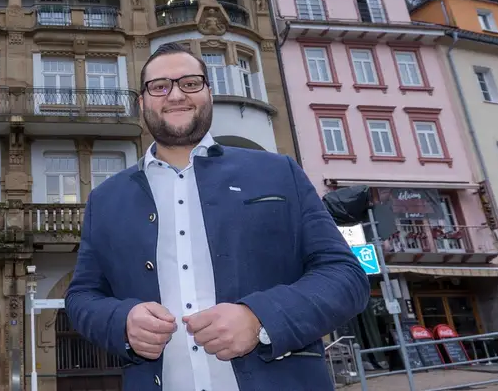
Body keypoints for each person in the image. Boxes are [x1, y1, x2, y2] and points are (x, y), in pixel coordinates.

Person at [65, 42, 369, 390]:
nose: (176, 95)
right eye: (160, 86)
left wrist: (259, 319)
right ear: (142, 102)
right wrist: (121, 322)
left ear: (209, 92)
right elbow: (81, 297)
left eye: (190, 83)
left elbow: (346, 277)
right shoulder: (105, 200)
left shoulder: (278, 173)